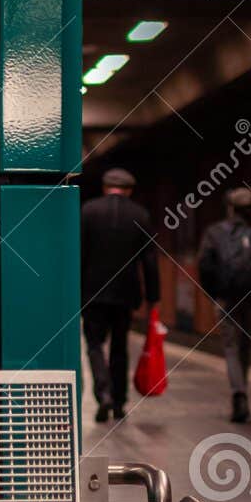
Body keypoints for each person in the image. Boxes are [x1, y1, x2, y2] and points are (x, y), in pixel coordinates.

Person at [81, 167, 160, 423]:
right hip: (125, 293)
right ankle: (118, 401)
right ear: (129, 190)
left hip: (92, 292)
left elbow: (78, 253)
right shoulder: (140, 215)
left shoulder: (88, 211)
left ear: (105, 188)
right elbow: (149, 260)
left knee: (94, 344)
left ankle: (102, 392)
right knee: (119, 347)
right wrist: (153, 297)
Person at [198, 187, 251, 424]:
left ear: (230, 208)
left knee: (231, 347)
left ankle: (239, 394)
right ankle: (242, 392)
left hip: (226, 299)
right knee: (244, 347)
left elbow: (205, 264)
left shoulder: (215, 233)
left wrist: (214, 293)